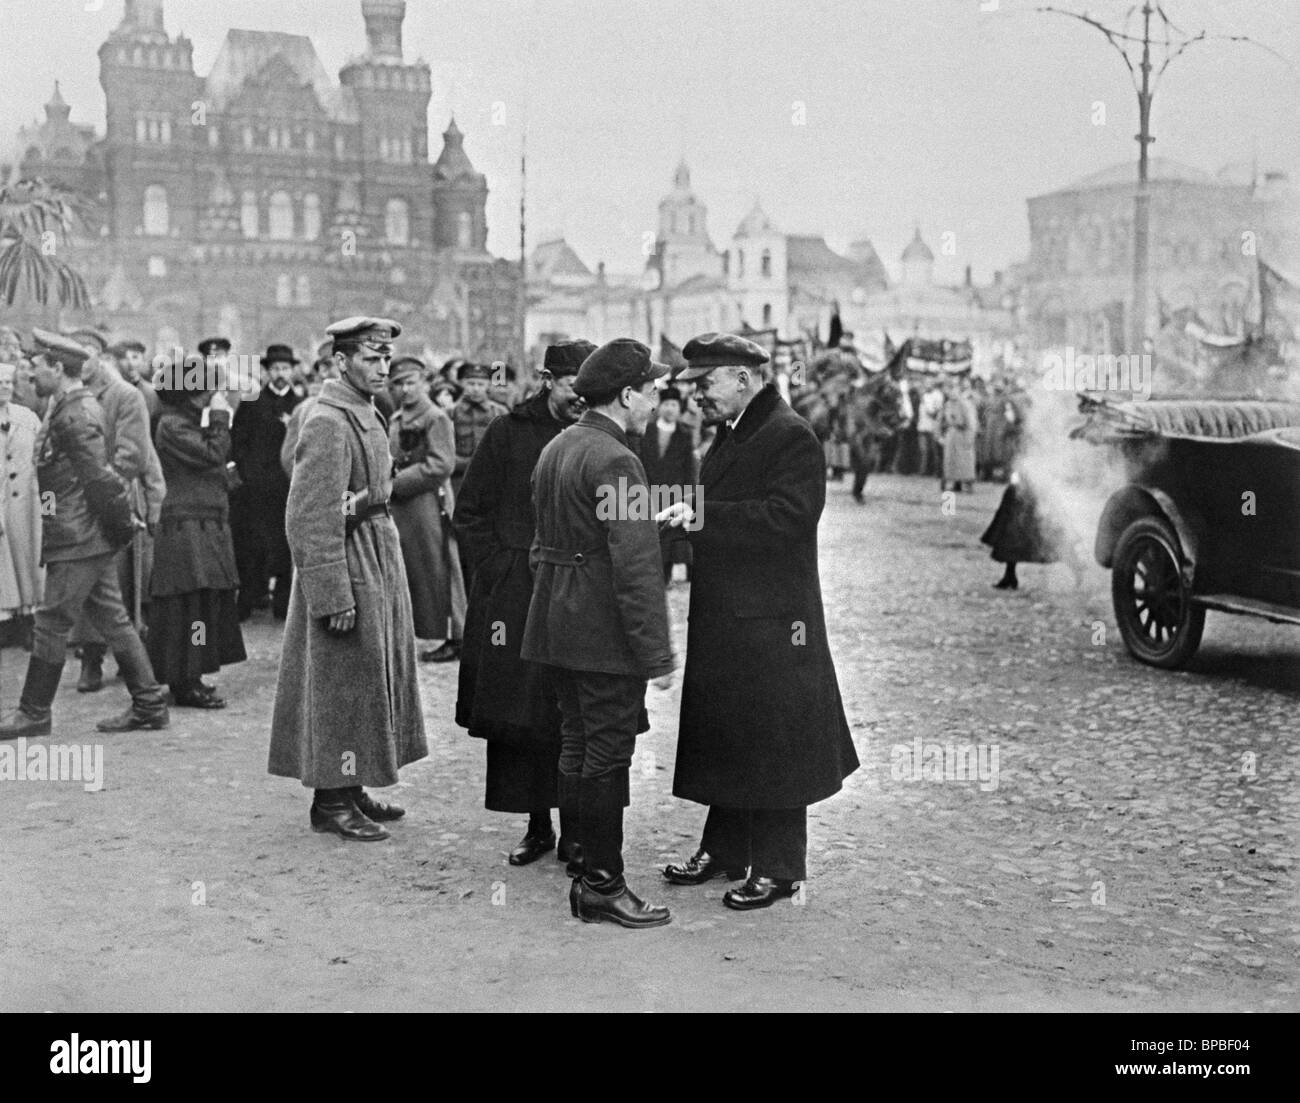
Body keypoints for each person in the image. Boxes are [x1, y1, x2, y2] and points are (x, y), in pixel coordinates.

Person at [660, 332, 859, 910]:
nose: (696, 394)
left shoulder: (789, 435)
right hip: (733, 613)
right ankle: (723, 850)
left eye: (706, 383)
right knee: (728, 731)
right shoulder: (736, 431)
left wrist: (700, 517)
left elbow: (789, 517)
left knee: (774, 740)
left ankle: (778, 867)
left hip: (774, 619)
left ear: (743, 378)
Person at [521, 337, 675, 928]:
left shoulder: (560, 445)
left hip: (557, 625)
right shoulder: (617, 459)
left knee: (578, 745)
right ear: (627, 395)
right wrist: (656, 653)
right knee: (607, 754)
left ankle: (583, 863)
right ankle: (603, 886)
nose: (657, 398)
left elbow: (545, 545)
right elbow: (634, 568)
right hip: (602, 634)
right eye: (652, 388)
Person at [268, 317, 426, 841]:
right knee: (341, 683)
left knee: (366, 680)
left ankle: (352, 786)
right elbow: (309, 517)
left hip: (373, 554)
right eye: (370, 357)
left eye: (385, 358)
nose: (382, 367)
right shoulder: (328, 421)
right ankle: (330, 802)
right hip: (348, 561)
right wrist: (332, 594)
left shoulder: (362, 410)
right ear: (341, 361)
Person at [455, 339, 593, 869]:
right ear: (546, 380)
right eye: (570, 387)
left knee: (575, 710)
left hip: (578, 591)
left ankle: (578, 828)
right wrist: (496, 572)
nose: (579, 399)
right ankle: (538, 824)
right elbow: (470, 513)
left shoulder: (600, 433)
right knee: (524, 712)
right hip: (517, 595)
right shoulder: (507, 432)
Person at [0, 331, 168, 739]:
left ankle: (34, 712)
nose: (30, 372)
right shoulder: (69, 406)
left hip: (79, 538)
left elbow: (102, 481)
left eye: (37, 365)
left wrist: (120, 526)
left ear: (58, 369)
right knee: (113, 619)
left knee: (52, 622)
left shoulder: (76, 414)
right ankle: (149, 704)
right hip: (80, 534)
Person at [147, 373, 247, 707]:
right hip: (186, 526)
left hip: (201, 523)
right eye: (208, 391)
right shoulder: (172, 425)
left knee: (201, 604)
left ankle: (193, 674)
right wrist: (221, 417)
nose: (213, 396)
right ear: (191, 395)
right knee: (186, 606)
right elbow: (212, 453)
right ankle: (183, 680)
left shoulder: (183, 421)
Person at [68, 348, 164, 692]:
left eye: (88, 356)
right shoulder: (69, 394)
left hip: (118, 501)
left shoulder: (125, 395)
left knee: (127, 585)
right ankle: (90, 659)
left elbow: (139, 456)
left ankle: (131, 662)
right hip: (79, 501)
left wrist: (152, 506)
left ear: (101, 357)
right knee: (88, 584)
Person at [387, 355, 466, 663]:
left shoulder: (435, 417)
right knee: (410, 570)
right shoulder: (397, 418)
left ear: (424, 383)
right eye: (398, 384)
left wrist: (394, 482)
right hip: (403, 507)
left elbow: (441, 464)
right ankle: (416, 630)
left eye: (410, 383)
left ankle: (455, 635)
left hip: (429, 503)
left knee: (440, 568)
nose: (405, 390)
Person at [232, 344, 304, 621]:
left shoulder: (301, 404)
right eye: (275, 368)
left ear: (293, 371)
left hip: (289, 486)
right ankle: (249, 599)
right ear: (266, 371)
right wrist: (244, 475)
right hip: (257, 488)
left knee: (287, 544)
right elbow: (238, 441)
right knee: (252, 545)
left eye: (285, 368)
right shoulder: (252, 402)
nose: (280, 374)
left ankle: (284, 605)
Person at [0, 361, 43, 648]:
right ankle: (6, 621)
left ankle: (32, 619)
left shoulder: (26, 417)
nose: (5, 386)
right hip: (2, 503)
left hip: (29, 503)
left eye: (8, 381)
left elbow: (45, 458)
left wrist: (48, 508)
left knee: (30, 559)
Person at [981, 473, 1081, 590]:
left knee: (1047, 532)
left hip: (1035, 488)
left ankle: (1077, 568)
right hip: (1022, 487)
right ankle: (1009, 575)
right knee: (1011, 534)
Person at [637, 385, 697, 582]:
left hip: (673, 494)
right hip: (649, 491)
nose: (670, 409)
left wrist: (689, 497)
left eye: (674, 405)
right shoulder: (647, 430)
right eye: (666, 404)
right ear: (660, 406)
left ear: (679, 408)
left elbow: (689, 470)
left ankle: (668, 574)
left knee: (671, 537)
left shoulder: (684, 434)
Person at [451, 362, 508, 497]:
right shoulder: (451, 412)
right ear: (463, 384)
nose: (475, 389)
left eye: (480, 384)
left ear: (488, 385)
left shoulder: (499, 412)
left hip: (491, 480)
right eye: (471, 384)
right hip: (458, 480)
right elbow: (446, 452)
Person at [109, 339, 161, 425]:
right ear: (116, 361)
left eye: (135, 357)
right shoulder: (111, 391)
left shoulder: (152, 393)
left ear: (143, 360)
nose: (131, 363)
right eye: (124, 358)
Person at [940, 376, 977, 492]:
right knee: (951, 459)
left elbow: (969, 421)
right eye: (950, 389)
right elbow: (941, 419)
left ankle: (966, 483)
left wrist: (958, 422)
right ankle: (953, 482)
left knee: (964, 459)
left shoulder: (965, 404)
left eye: (954, 389)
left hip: (962, 434)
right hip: (952, 434)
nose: (951, 392)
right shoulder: (947, 404)